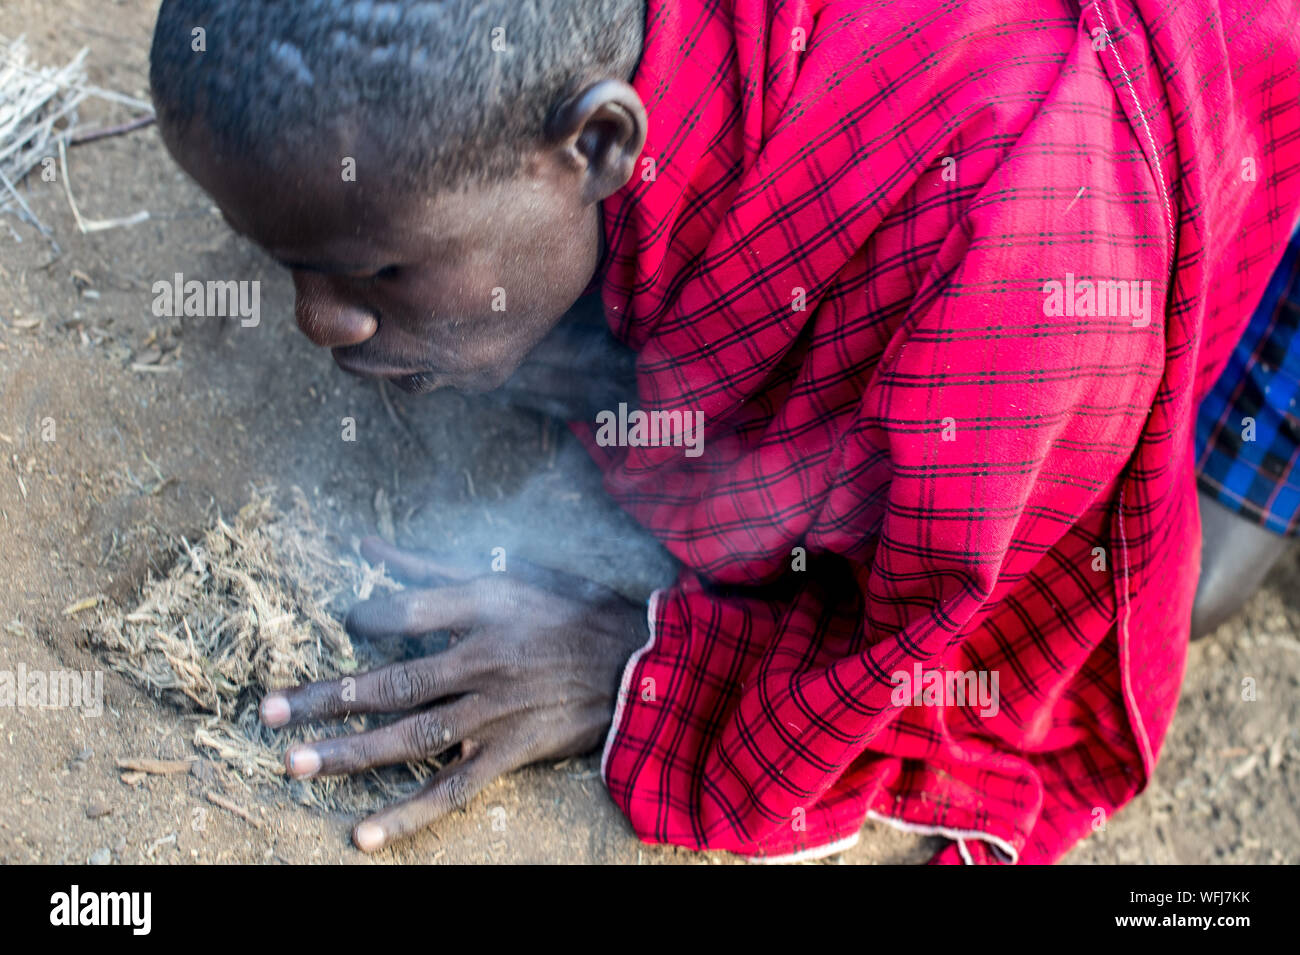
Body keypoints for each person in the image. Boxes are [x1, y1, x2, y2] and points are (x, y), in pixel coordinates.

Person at [148, 0, 1300, 862]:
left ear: (600, 146)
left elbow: (946, 644)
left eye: (376, 271)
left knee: (1193, 581)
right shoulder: (601, 88)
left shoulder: (1021, 240)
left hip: (1235, 87)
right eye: (282, 264)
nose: (318, 324)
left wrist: (630, 663)